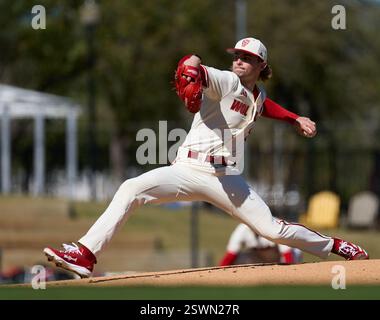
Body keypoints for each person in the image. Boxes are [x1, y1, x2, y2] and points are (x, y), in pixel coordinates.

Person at [44, 37, 369, 278]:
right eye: (237, 56)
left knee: (272, 230)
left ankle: (338, 246)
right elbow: (195, 66)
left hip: (227, 178)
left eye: (247, 58)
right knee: (132, 188)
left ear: (261, 67)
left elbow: (262, 105)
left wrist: (294, 118)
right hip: (187, 169)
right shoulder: (226, 81)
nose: (239, 61)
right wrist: (192, 66)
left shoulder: (258, 94)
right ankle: (85, 254)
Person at [219, 223, 303, 266]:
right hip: (259, 259)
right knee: (239, 259)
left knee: (296, 252)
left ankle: (293, 277)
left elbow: (287, 253)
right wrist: (220, 271)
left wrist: (289, 271)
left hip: (278, 258)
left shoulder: (273, 226)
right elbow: (231, 255)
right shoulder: (242, 229)